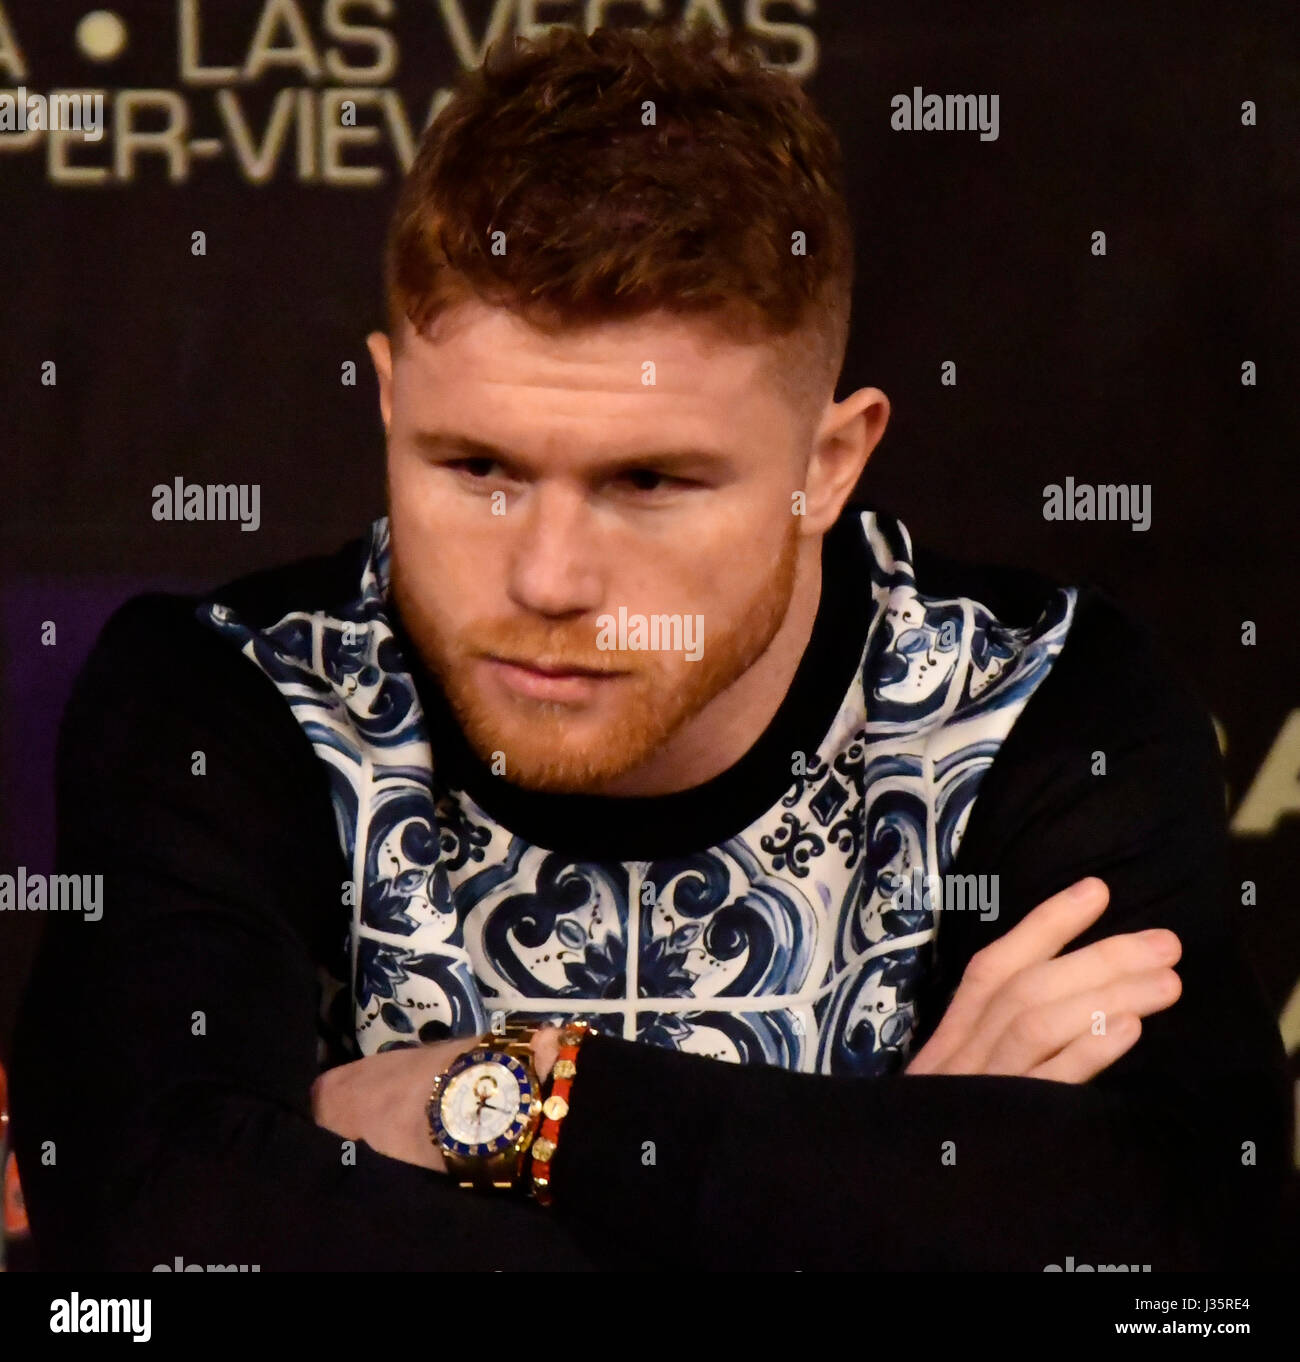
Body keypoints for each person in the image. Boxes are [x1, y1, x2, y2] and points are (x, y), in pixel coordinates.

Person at [10, 19, 1289, 1272]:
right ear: (391, 401)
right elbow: (156, 1245)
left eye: (651, 484)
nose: (548, 579)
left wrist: (518, 1101)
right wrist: (884, 1183)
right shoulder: (230, 696)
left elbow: (1186, 1258)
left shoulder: (1041, 703)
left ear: (827, 463)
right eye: (476, 468)